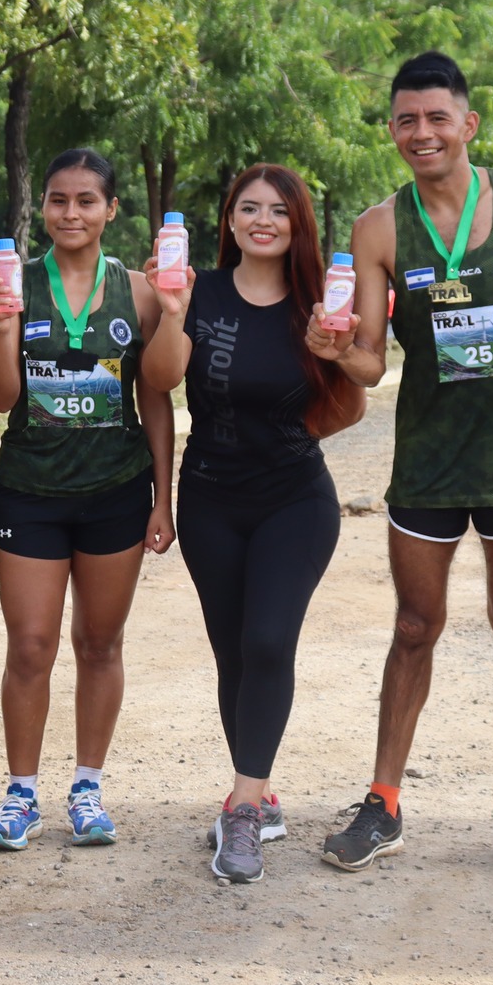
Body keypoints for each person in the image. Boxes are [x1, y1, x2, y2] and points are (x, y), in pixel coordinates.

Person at [308, 50, 493, 874]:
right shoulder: (378, 227)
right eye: (406, 120)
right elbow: (370, 363)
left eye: (437, 118)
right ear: (392, 130)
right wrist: (329, 351)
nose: (422, 132)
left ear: (468, 123)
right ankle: (384, 801)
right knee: (412, 627)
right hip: (427, 460)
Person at [141, 164, 367, 883]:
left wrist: (336, 359)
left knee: (268, 639)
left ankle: (241, 809)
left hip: (294, 500)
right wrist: (173, 313)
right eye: (248, 208)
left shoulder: (316, 302)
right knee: (234, 652)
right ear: (229, 221)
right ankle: (258, 789)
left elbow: (357, 396)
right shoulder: (194, 291)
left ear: (299, 223)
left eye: (278, 210)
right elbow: (161, 379)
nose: (262, 220)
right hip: (211, 496)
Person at [0, 149, 176, 852]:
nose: (70, 213)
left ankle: (88, 786)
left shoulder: (142, 292)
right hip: (29, 490)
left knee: (99, 641)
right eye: (58, 200)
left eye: (86, 200)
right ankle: (21, 793)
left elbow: (156, 396)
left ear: (110, 209)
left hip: (116, 493)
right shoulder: (12, 286)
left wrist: (163, 498)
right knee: (30, 645)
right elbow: (1, 398)